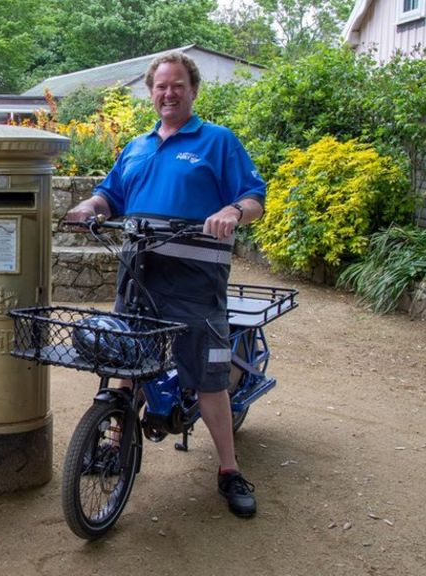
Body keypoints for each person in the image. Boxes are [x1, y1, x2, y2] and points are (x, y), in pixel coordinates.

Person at [65, 52, 266, 518]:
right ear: (151, 92)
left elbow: (254, 197)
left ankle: (229, 469)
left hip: (195, 283)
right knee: (124, 356)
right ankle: (115, 442)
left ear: (193, 91)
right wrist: (88, 207)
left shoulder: (217, 141)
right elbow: (110, 195)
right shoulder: (136, 146)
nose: (168, 93)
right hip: (138, 277)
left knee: (209, 377)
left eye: (177, 85)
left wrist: (232, 211)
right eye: (160, 86)